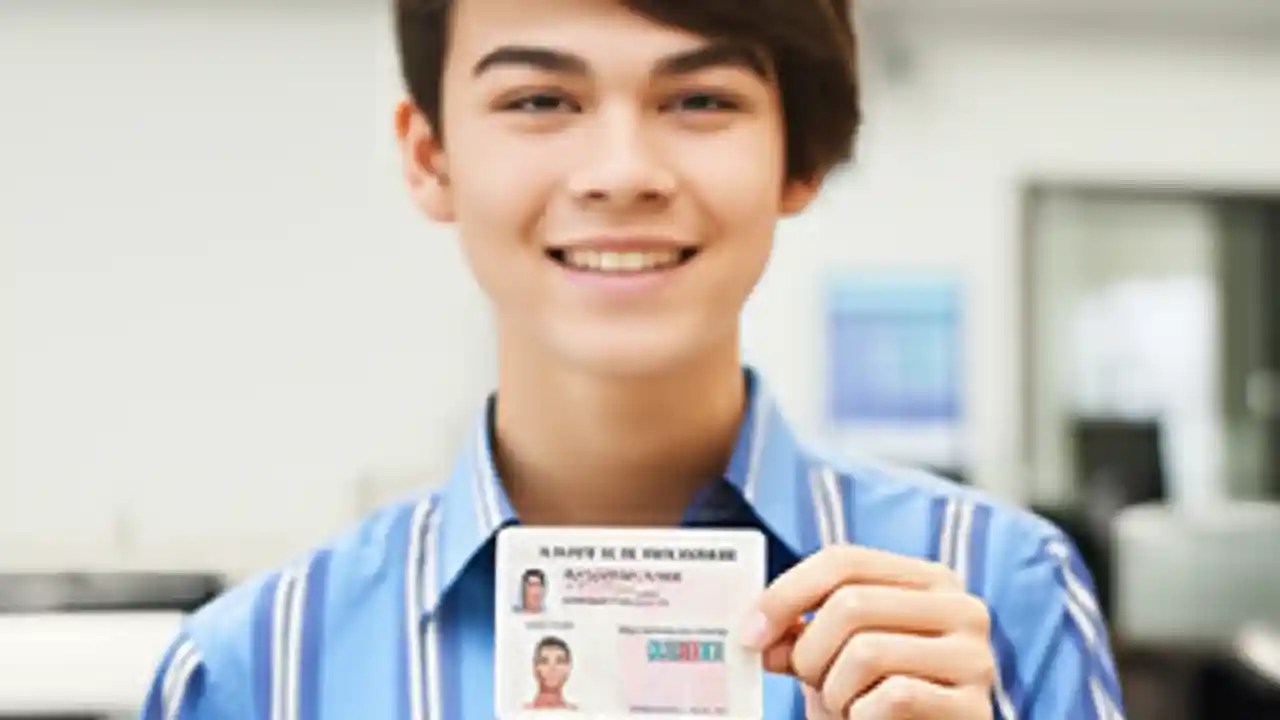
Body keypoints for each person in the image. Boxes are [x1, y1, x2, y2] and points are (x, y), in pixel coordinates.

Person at [140, 0, 1126, 717]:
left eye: (698, 99)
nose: (621, 173)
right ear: (429, 155)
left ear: (801, 156)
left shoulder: (1004, 592)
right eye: (537, 100)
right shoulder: (251, 670)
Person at [524, 637, 577, 711]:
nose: (552, 668)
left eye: (559, 661)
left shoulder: (579, 715)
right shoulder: (519, 714)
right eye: (544, 661)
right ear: (535, 666)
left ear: (568, 667)